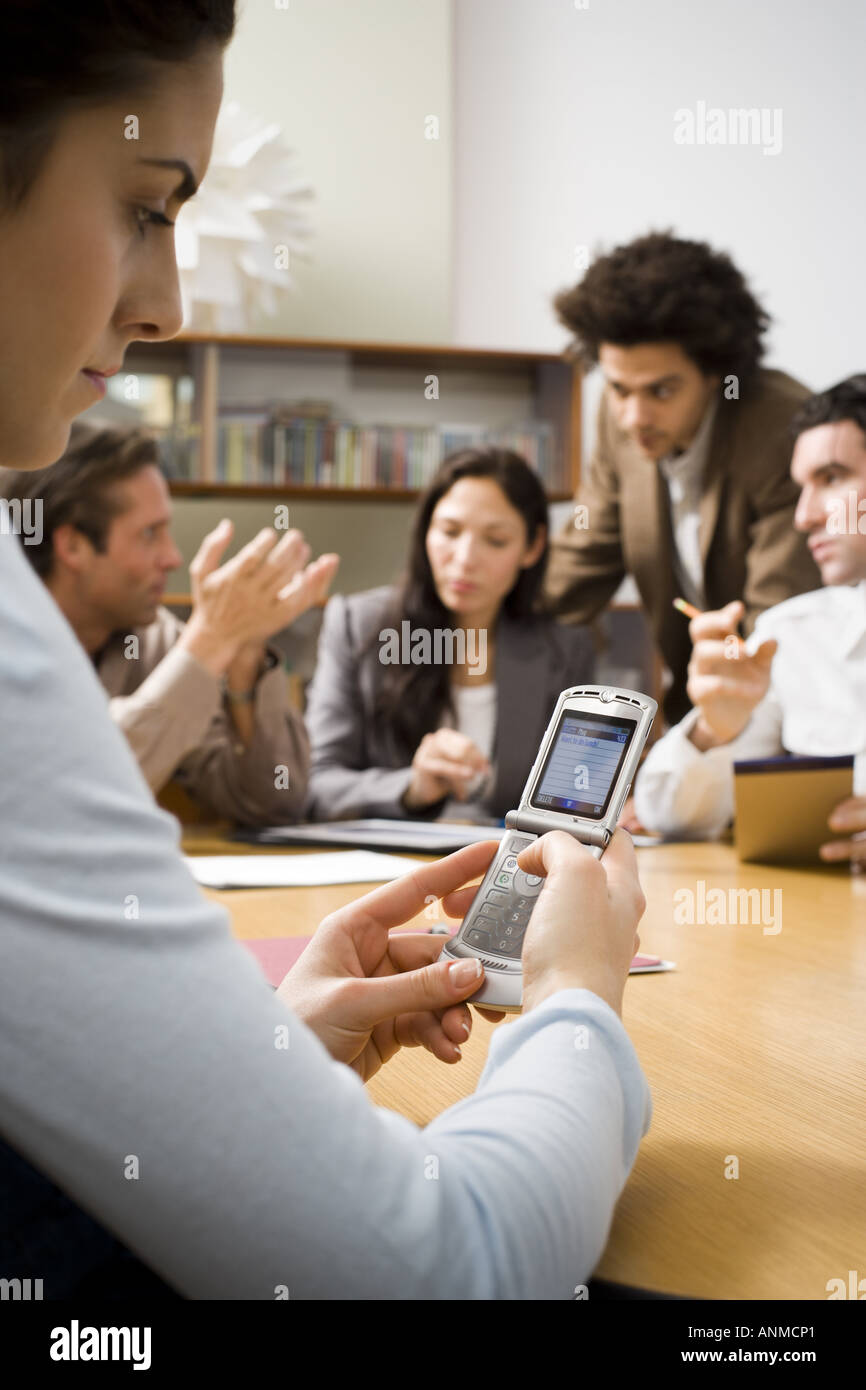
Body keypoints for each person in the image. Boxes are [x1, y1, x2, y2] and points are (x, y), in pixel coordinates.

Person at [0, 0, 651, 1299]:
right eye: (145, 206)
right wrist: (578, 995)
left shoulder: (560, 644)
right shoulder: (341, 625)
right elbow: (449, 1274)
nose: (170, 301)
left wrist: (258, 1050)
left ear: (531, 551)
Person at [544, 231, 821, 726]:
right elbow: (581, 563)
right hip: (692, 712)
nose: (634, 417)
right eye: (618, 388)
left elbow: (771, 633)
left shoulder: (785, 428)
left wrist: (685, 759)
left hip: (786, 716)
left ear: (716, 372)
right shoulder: (619, 422)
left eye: (661, 391)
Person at [0, 420, 338, 825]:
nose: (173, 557)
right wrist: (209, 643)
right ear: (73, 545)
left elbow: (273, 804)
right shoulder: (11, 640)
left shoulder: (159, 642)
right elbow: (67, 799)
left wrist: (243, 657)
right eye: (149, 534)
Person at [633, 375, 866, 867]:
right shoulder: (793, 635)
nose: (804, 516)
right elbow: (670, 814)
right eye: (801, 487)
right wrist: (717, 728)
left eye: (831, 478)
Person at [304, 447, 595, 822]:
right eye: (450, 532)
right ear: (426, 531)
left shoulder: (565, 649)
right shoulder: (358, 626)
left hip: (510, 868)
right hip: (385, 869)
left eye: (495, 540)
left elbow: (575, 797)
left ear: (533, 547)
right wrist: (411, 787)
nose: (464, 558)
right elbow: (314, 784)